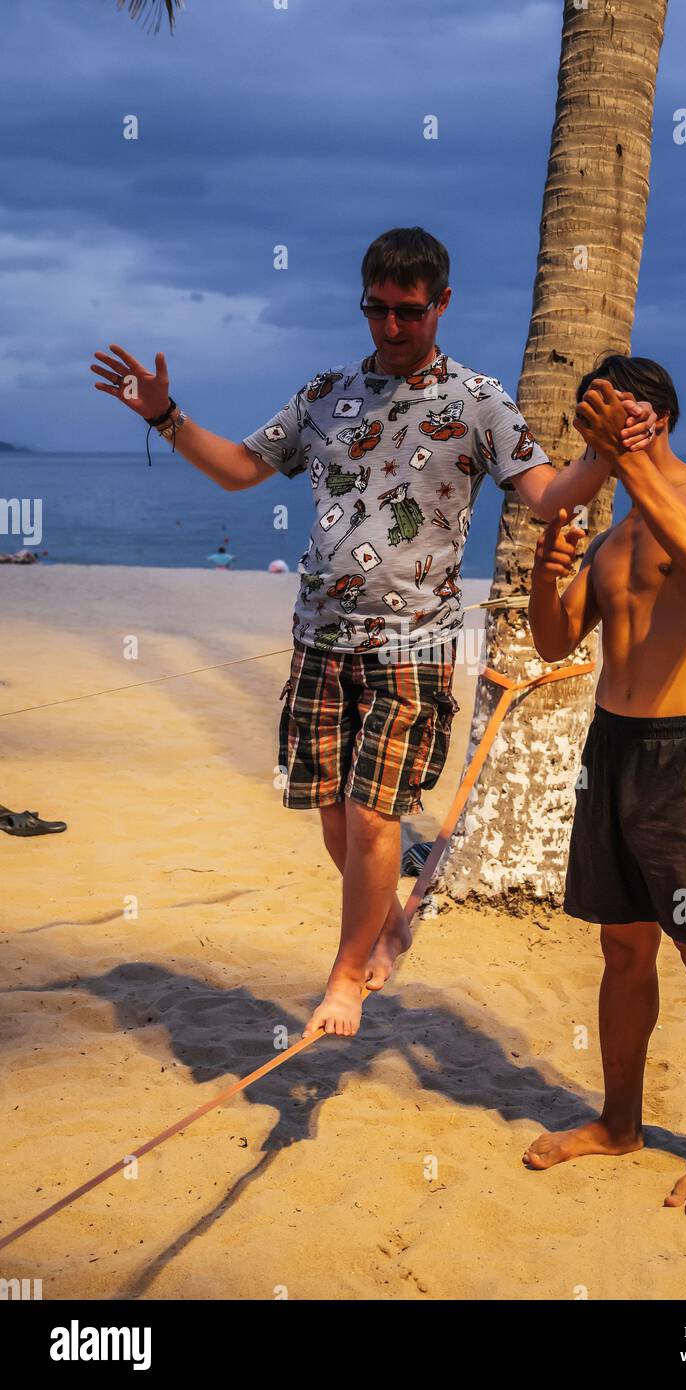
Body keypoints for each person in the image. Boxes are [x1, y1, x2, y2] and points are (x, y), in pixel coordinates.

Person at [90, 226, 657, 1038]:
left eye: (409, 312)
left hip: (413, 646)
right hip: (319, 641)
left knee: (372, 817)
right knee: (330, 813)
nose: (392, 328)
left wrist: (602, 457)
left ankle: (345, 976)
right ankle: (384, 922)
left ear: (442, 305)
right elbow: (241, 469)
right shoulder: (324, 394)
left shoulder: (477, 401)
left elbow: (542, 495)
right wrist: (166, 416)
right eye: (378, 310)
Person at [526, 355, 686, 1218]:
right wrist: (550, 571)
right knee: (622, 949)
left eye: (607, 417)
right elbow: (555, 644)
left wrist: (621, 460)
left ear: (651, 416)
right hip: (612, 748)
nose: (592, 439)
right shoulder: (617, 535)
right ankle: (618, 1124)